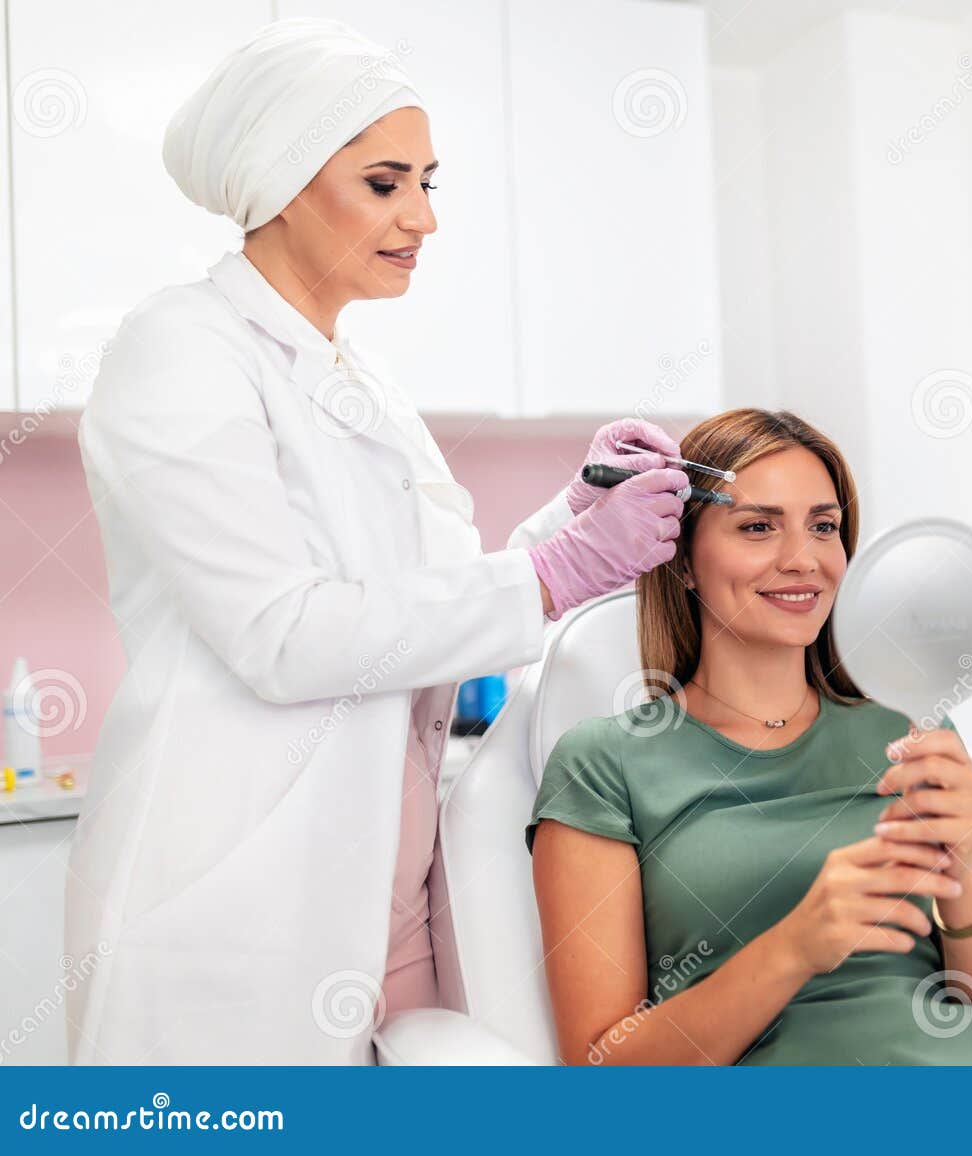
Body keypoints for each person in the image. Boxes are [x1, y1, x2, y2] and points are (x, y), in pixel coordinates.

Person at [64, 17, 687, 1064]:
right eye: (385, 183)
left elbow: (427, 598)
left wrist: (570, 516)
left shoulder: (362, 379)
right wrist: (554, 572)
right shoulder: (181, 349)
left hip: (385, 886)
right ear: (282, 184)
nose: (423, 217)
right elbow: (285, 633)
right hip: (241, 886)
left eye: (426, 183)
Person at [528, 408, 972, 1065]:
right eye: (758, 527)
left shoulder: (912, 730)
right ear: (682, 560)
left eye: (823, 527)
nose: (803, 561)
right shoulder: (604, 764)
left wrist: (964, 854)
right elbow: (600, 1069)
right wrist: (794, 947)